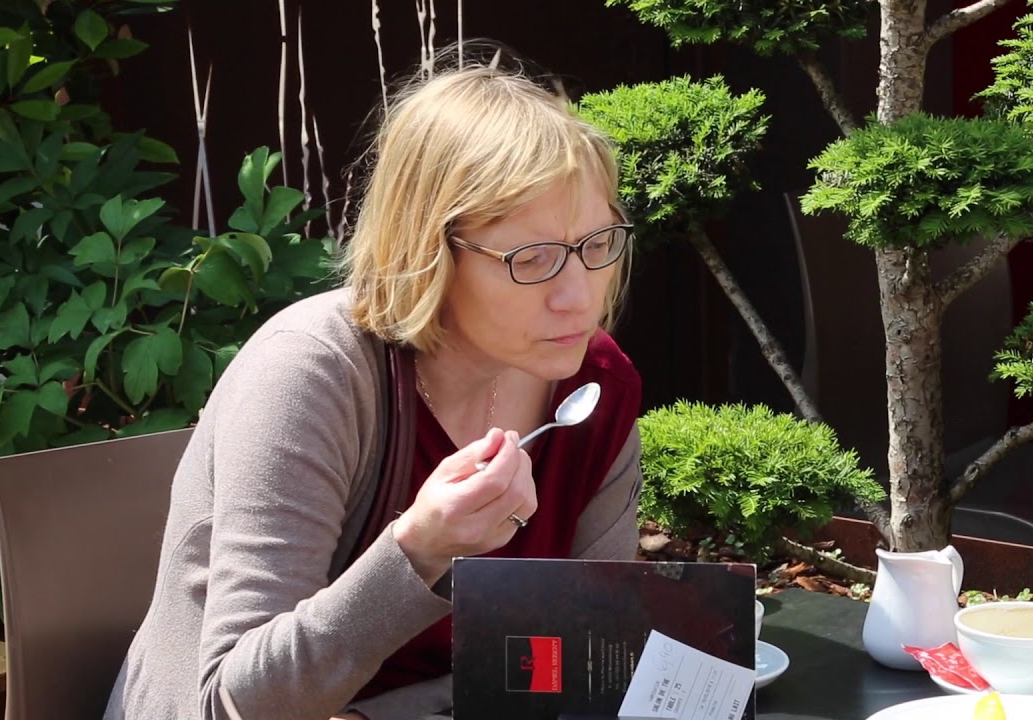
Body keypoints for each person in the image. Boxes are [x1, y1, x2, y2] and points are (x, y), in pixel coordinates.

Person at [103, 56, 644, 720]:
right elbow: (237, 701)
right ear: (427, 250)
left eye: (597, 245)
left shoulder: (594, 385)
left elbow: (592, 647)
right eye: (531, 260)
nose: (576, 297)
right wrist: (418, 549)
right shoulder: (312, 376)